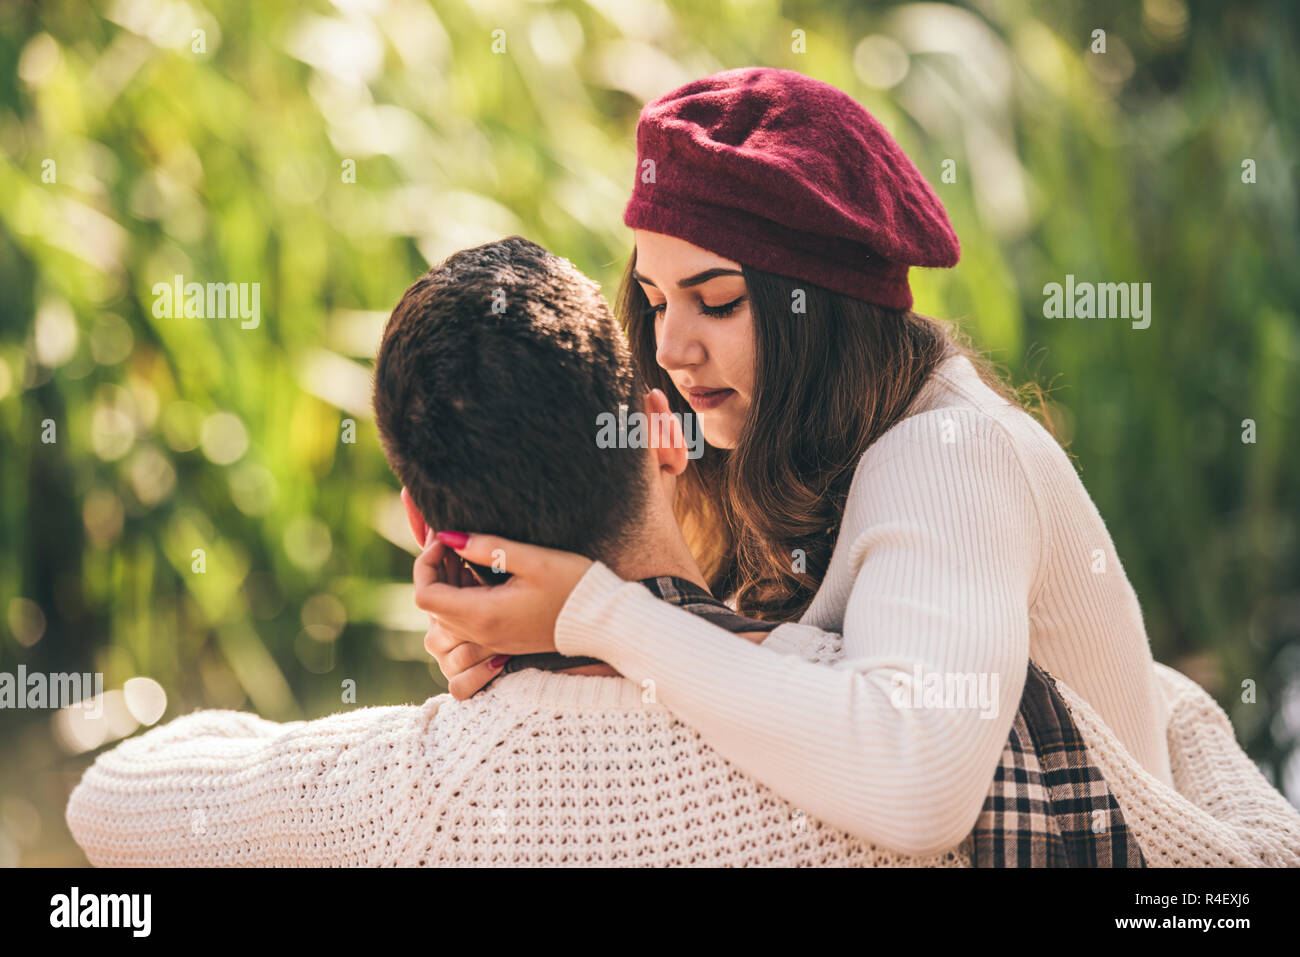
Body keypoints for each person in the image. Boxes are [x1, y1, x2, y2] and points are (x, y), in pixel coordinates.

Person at [64, 238, 1145, 867]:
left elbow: (109, 798)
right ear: (661, 431)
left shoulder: (400, 792)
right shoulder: (862, 708)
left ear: (419, 524)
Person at [416, 67, 1178, 857]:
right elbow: (783, 688)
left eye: (717, 301)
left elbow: (916, 782)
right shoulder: (793, 448)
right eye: (654, 298)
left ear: (820, 313)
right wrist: (537, 640)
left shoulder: (950, 452)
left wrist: (598, 614)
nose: (671, 349)